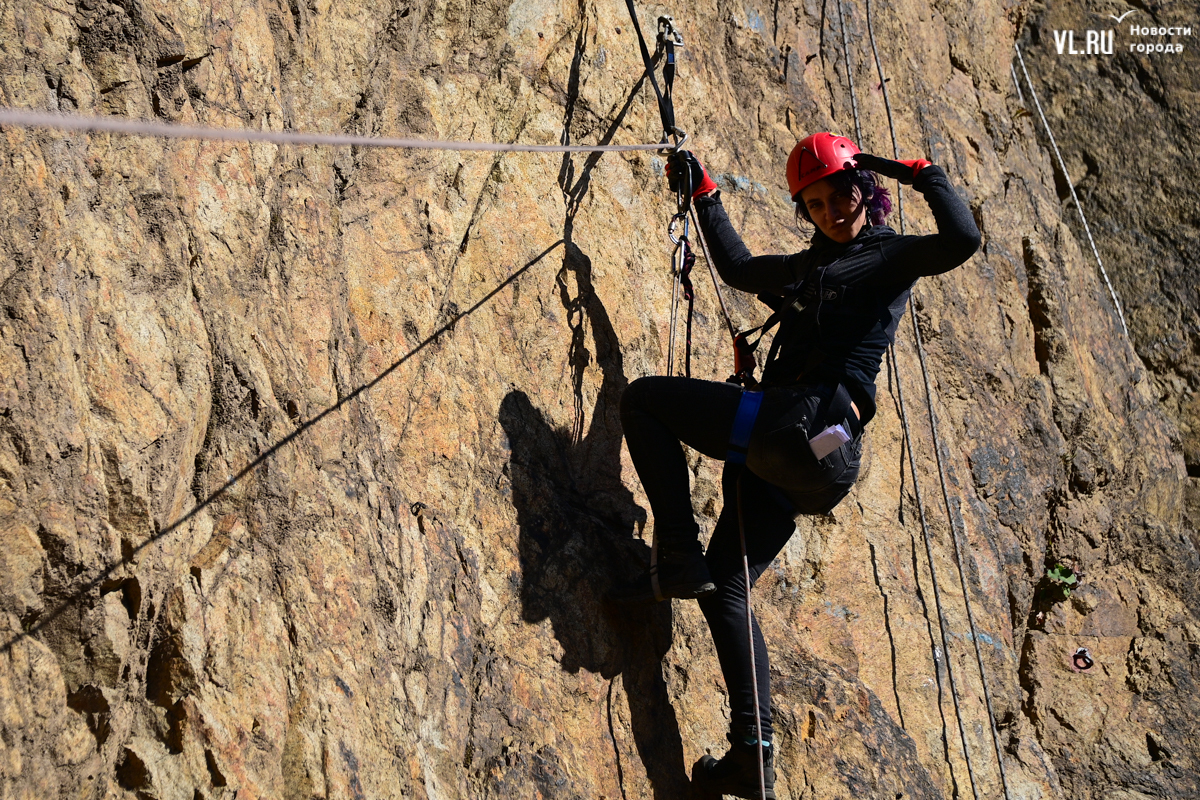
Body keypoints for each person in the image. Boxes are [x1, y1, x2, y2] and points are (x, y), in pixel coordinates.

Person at [609, 132, 981, 799]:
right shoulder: (809, 268)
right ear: (805, 212)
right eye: (815, 204)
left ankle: (676, 554)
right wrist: (704, 194)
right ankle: (753, 754)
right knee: (728, 587)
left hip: (803, 428)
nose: (832, 211)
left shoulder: (887, 255)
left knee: (643, 402)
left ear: (865, 190)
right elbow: (737, 268)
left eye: (841, 195)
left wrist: (925, 174)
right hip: (818, 459)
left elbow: (961, 240)